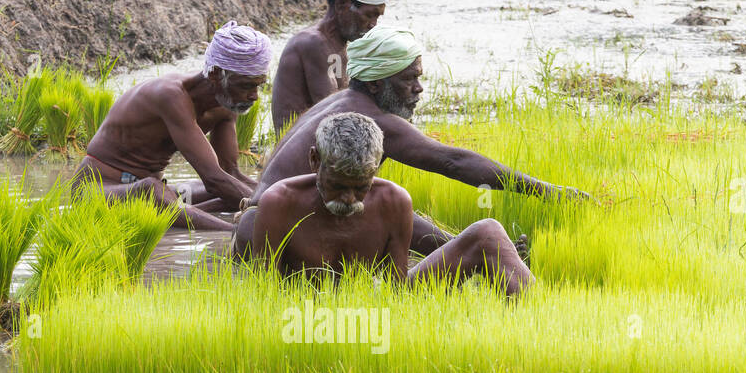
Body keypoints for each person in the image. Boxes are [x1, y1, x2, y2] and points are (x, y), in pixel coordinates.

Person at [236, 22, 589, 258]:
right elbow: (453, 162)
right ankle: (477, 253)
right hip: (280, 233)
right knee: (389, 215)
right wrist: (549, 191)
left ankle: (470, 250)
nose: (418, 89)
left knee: (395, 209)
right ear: (375, 84)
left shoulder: (341, 102)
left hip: (255, 229)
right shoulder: (371, 119)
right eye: (409, 79)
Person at [251, 112, 534, 297]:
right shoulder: (280, 203)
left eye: (361, 187)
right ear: (315, 161)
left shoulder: (394, 201)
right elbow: (263, 296)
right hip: (305, 316)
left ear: (375, 169)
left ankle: (528, 335)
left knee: (488, 233)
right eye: (337, 186)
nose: (349, 199)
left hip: (376, 303)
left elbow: (395, 291)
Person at [71, 21, 272, 232]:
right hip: (98, 189)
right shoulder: (170, 96)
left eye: (258, 85)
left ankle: (183, 215)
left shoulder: (226, 105)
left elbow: (229, 173)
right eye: (245, 86)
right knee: (151, 190)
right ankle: (233, 231)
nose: (254, 96)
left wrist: (275, 196)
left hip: (158, 191)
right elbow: (214, 179)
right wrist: (264, 212)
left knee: (229, 191)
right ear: (215, 75)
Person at [270, 0, 391, 135]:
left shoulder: (340, 46)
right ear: (342, 4)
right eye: (369, 15)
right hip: (302, 155)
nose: (373, 24)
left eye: (377, 17)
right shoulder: (313, 44)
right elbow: (337, 117)